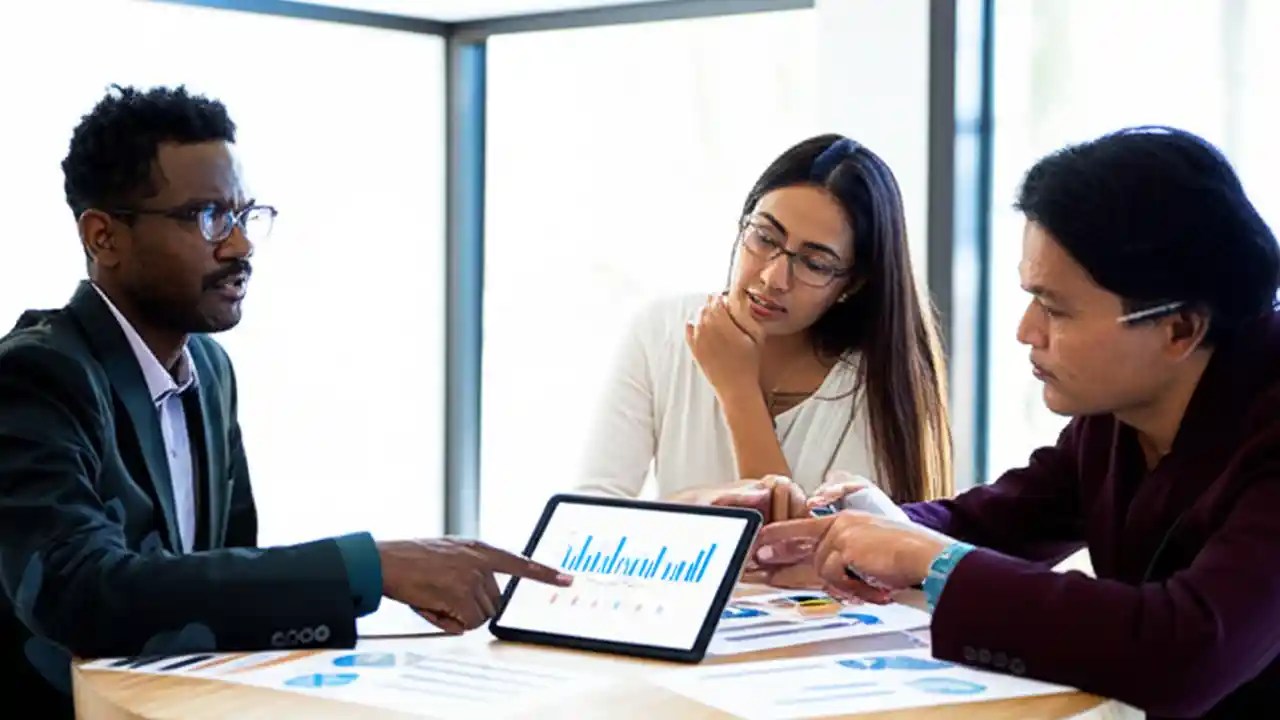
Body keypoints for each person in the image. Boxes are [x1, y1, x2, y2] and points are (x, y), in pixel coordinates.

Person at [0, 85, 570, 718]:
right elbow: (79, 593)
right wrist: (368, 567)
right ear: (104, 236)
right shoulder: (35, 374)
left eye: (244, 215)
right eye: (207, 217)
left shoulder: (209, 369)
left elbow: (223, 574)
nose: (240, 246)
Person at [750, 125, 1280, 718]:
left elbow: (1187, 649)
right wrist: (849, 529)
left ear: (1179, 329)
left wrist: (932, 559)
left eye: (1055, 308)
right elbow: (999, 520)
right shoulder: (1121, 411)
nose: (1027, 331)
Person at [575, 134, 953, 524]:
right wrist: (698, 500)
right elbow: (586, 516)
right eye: (765, 238)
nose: (774, 278)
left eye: (815, 264)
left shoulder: (873, 385)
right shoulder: (661, 330)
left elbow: (798, 551)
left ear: (853, 284)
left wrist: (738, 390)